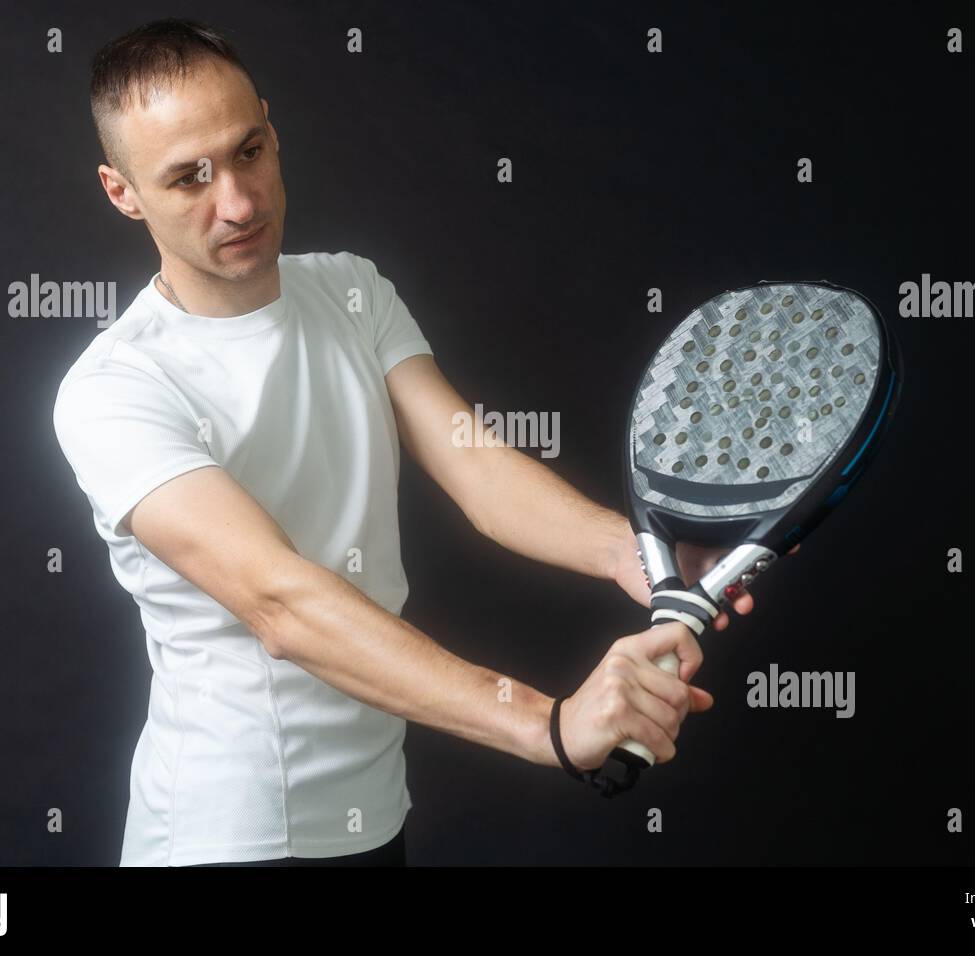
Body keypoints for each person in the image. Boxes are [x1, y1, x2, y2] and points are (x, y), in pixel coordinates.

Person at [53, 18, 760, 867]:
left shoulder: (350, 289)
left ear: (273, 129)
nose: (237, 201)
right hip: (224, 832)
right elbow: (282, 605)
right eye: (187, 179)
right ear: (121, 191)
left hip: (372, 808)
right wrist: (550, 726)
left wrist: (634, 553)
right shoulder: (112, 390)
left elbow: (475, 466)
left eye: (249, 151)